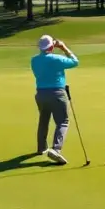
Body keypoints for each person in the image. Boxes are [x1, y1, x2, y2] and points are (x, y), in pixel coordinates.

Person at [30, 34, 79, 164]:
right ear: (52, 46)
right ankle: (56, 149)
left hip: (41, 94)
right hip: (57, 93)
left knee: (44, 119)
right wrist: (63, 47)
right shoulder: (57, 58)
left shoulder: (34, 60)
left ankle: (41, 148)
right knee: (63, 121)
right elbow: (75, 62)